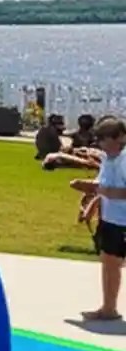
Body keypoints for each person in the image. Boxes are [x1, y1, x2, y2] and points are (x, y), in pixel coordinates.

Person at [70, 115, 126, 321]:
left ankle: (109, 308)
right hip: (111, 220)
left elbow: (113, 190)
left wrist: (95, 189)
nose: (102, 144)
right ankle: (108, 308)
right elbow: (102, 186)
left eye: (105, 140)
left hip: (123, 222)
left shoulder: (124, 160)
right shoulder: (108, 159)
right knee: (109, 263)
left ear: (118, 138)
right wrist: (92, 206)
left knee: (112, 264)